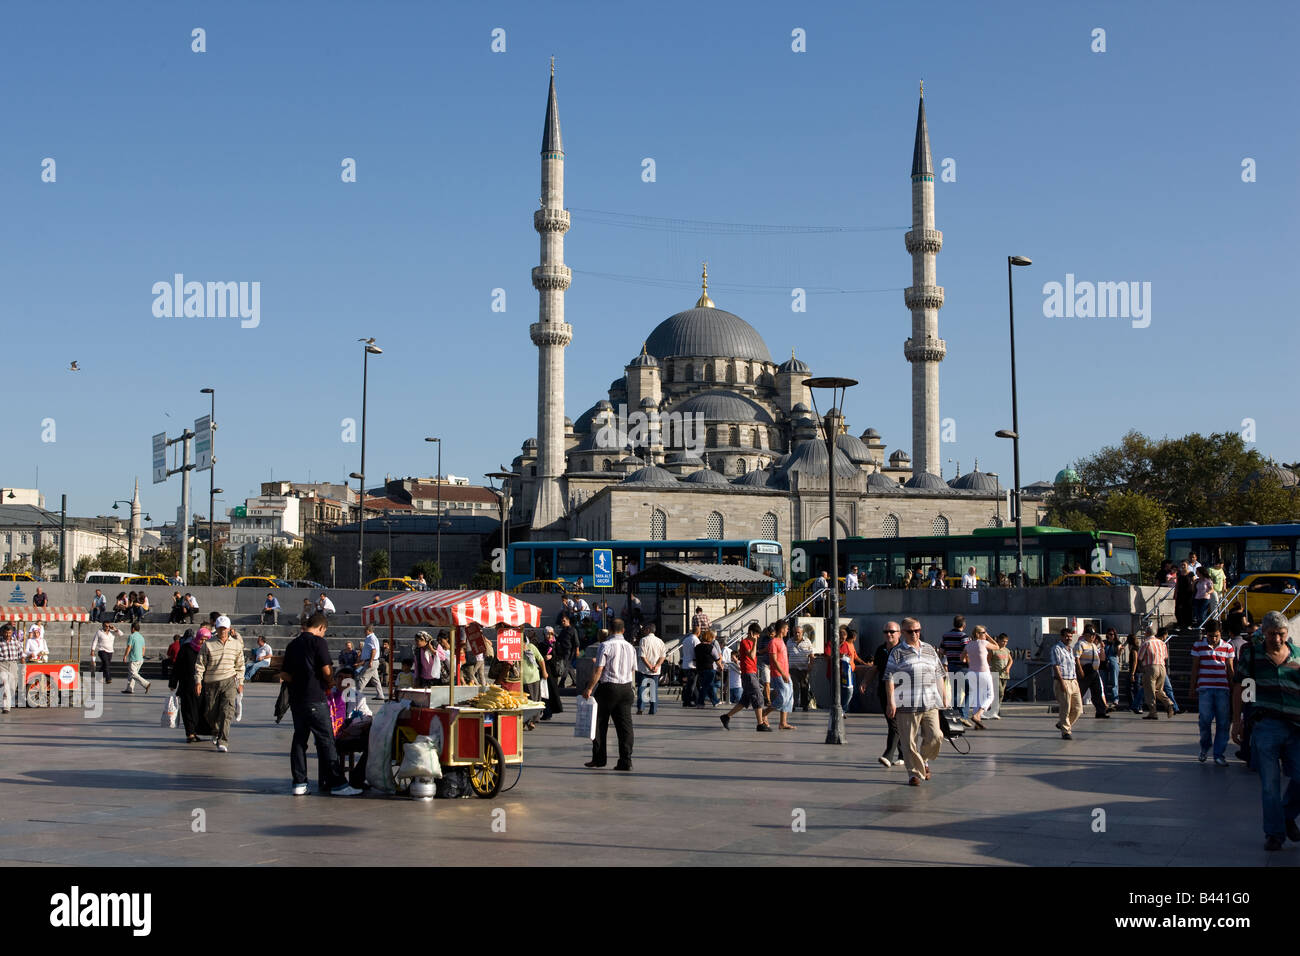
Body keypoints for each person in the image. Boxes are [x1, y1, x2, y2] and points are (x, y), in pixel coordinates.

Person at [1231, 611, 1300, 850]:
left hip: (1296, 728)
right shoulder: (1252, 656)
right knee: (1269, 785)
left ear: (1287, 633)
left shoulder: (1298, 656)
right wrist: (1238, 721)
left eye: (1281, 634)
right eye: (1272, 634)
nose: (1277, 639)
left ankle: (1286, 814)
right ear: (1264, 633)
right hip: (1265, 726)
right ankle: (1275, 834)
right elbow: (1241, 688)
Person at [281, 611, 362, 796]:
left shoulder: (292, 644)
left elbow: (285, 674)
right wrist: (331, 682)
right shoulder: (318, 642)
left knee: (300, 740)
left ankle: (299, 783)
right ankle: (338, 784)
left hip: (297, 700)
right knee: (326, 740)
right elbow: (326, 670)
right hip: (315, 698)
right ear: (321, 627)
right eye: (324, 631)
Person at [885, 617, 949, 786]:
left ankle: (924, 760)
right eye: (910, 631)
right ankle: (913, 773)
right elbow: (889, 678)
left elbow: (939, 674)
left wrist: (943, 695)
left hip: (930, 702)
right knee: (909, 742)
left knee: (936, 736)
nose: (914, 634)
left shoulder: (929, 649)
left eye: (917, 630)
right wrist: (891, 702)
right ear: (903, 633)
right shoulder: (897, 652)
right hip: (906, 704)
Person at [582, 618, 636, 771]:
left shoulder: (605, 645)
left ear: (610, 631)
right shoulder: (630, 647)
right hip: (626, 688)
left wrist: (589, 688)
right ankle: (626, 760)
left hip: (608, 688)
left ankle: (599, 759)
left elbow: (599, 670)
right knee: (625, 727)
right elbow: (633, 670)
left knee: (599, 724)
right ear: (623, 630)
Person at [194, 616, 245, 753]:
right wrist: (198, 681)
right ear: (216, 628)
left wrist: (240, 681)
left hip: (229, 681)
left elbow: (240, 665)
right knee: (210, 712)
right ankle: (216, 731)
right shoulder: (208, 645)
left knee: (227, 711)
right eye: (220, 628)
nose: (223, 631)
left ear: (229, 628)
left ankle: (223, 740)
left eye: (225, 628)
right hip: (211, 682)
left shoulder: (236, 644)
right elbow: (200, 665)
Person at [1190, 620, 1234, 765]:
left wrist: (1234, 689)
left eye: (1216, 636)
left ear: (1220, 634)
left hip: (1223, 689)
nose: (1213, 639)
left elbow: (1230, 669)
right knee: (1204, 721)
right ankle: (1205, 746)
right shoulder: (1198, 646)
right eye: (1210, 636)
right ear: (1205, 634)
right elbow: (1195, 668)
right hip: (1205, 689)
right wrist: (1192, 688)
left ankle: (1219, 754)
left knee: (1223, 723)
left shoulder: (1228, 647)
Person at [865, 621, 904, 766]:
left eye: (892, 632)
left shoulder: (903, 650)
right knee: (894, 722)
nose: (888, 634)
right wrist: (865, 682)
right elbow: (875, 668)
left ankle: (888, 755)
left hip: (901, 692)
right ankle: (903, 754)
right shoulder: (881, 649)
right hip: (883, 691)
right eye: (886, 632)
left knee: (895, 723)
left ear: (899, 633)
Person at [720, 622, 769, 731]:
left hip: (752, 673)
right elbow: (751, 656)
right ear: (752, 633)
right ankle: (760, 724)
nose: (758, 637)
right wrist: (755, 642)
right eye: (757, 634)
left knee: (745, 701)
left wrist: (755, 643)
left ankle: (726, 716)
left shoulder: (751, 643)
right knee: (758, 696)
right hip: (748, 673)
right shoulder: (745, 642)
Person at [168, 629, 207, 742]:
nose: (203, 642)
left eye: (205, 640)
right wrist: (173, 682)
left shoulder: (207, 650)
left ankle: (195, 731)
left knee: (199, 709)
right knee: (188, 709)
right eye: (201, 639)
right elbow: (178, 666)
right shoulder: (186, 648)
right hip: (187, 684)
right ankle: (190, 734)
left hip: (202, 685)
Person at [962, 625, 998, 728]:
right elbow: (997, 646)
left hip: (972, 673)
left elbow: (962, 658)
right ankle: (978, 714)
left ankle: (977, 723)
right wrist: (988, 636)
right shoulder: (984, 642)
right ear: (979, 634)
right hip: (984, 672)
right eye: (984, 632)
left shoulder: (969, 645)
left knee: (977, 697)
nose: (985, 634)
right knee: (990, 696)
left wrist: (970, 661)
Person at [1051, 627, 1083, 740]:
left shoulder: (1071, 649)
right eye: (1066, 636)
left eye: (1070, 636)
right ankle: (1066, 731)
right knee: (1066, 707)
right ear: (1061, 637)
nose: (1069, 638)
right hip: (1062, 680)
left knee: (1078, 708)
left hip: (1073, 680)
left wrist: (1076, 680)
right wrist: (1062, 682)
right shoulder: (1057, 649)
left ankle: (1062, 724)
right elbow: (1056, 666)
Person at [1138, 628, 1176, 720]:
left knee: (1149, 691)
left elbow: (1140, 657)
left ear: (1147, 633)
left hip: (1151, 667)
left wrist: (1141, 668)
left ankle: (1153, 712)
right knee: (1158, 690)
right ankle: (1169, 703)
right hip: (1162, 668)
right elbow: (1166, 657)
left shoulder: (1146, 643)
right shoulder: (1162, 643)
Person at [764, 622, 795, 730]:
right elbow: (774, 660)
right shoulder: (773, 642)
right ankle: (764, 713)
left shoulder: (782, 641)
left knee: (789, 698)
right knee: (782, 698)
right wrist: (782, 673)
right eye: (786, 628)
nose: (787, 630)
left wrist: (787, 672)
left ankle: (783, 723)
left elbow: (783, 660)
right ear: (782, 629)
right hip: (778, 674)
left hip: (785, 673)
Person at [940, 615, 971, 724]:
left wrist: (950, 653)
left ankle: (955, 715)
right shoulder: (964, 636)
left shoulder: (946, 635)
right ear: (963, 624)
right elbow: (966, 651)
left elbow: (942, 650)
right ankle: (964, 715)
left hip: (951, 666)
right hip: (962, 667)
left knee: (955, 692)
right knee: (969, 690)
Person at [1074, 628, 1109, 719]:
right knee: (1080, 691)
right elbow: (1076, 658)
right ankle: (1072, 709)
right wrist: (1080, 670)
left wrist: (1102, 648)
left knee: (1097, 691)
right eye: (1091, 635)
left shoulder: (1093, 645)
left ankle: (1101, 711)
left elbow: (1102, 659)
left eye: (1093, 635)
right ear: (1085, 635)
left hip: (1093, 671)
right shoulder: (1081, 644)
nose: (1093, 637)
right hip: (1085, 670)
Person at [635, 623, 665, 716]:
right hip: (656, 670)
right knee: (653, 689)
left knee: (642, 688)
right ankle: (653, 709)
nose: (643, 631)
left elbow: (642, 656)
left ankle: (641, 708)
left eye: (645, 629)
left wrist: (649, 666)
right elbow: (663, 656)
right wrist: (656, 666)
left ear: (648, 630)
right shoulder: (660, 641)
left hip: (644, 669)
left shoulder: (643, 640)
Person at [520, 634, 547, 730]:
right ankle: (524, 721)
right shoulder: (515, 650)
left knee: (534, 701)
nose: (521, 645)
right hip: (521, 680)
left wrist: (544, 672)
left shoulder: (531, 647)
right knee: (524, 702)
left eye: (522, 642)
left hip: (533, 678)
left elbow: (541, 659)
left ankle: (531, 721)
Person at [787, 624, 814, 712]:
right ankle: (793, 705)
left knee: (804, 687)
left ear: (802, 633)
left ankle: (804, 705)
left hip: (804, 669)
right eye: (795, 632)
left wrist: (811, 664)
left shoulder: (807, 641)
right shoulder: (789, 642)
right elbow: (786, 655)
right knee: (794, 687)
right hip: (792, 669)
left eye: (799, 632)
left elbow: (811, 655)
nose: (797, 634)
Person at [356, 625, 387, 700]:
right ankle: (380, 694)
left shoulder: (371, 638)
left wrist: (370, 661)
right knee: (375, 680)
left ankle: (356, 694)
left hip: (371, 661)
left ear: (368, 630)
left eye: (365, 630)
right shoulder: (371, 638)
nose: (364, 632)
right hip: (373, 661)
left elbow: (374, 650)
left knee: (363, 678)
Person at [120, 625, 151, 695]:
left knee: (133, 674)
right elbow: (143, 648)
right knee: (131, 674)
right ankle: (129, 689)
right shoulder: (141, 637)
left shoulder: (132, 636)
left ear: (133, 628)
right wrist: (142, 656)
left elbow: (129, 647)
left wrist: (125, 656)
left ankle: (146, 684)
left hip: (134, 658)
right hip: (140, 659)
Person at [987, 633, 1012, 719]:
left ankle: (995, 710)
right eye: (1003, 641)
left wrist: (1008, 668)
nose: (1005, 643)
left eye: (1006, 642)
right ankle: (993, 709)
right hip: (995, 674)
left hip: (1004, 675)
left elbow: (1010, 660)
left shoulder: (1006, 650)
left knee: (1001, 694)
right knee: (999, 692)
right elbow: (987, 660)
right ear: (998, 640)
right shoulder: (993, 650)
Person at [694, 629, 721, 707]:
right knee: (706, 686)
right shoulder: (711, 647)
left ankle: (715, 701)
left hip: (700, 669)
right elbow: (717, 659)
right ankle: (700, 702)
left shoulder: (697, 647)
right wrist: (720, 666)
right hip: (709, 669)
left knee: (708, 685)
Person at [0, 624, 22, 714]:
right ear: (2, 633)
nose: (7, 635)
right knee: (5, 686)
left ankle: (6, 702)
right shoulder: (0, 642)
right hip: (2, 664)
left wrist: (23, 665)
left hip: (13, 664)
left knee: (12, 686)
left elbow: (21, 654)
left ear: (12, 632)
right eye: (6, 633)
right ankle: (6, 707)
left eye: (9, 633)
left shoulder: (16, 642)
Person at [679, 623, 700, 707]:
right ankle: (689, 701)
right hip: (692, 665)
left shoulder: (685, 640)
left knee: (688, 684)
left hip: (685, 664)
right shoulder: (696, 640)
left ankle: (689, 700)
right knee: (692, 685)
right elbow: (697, 652)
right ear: (698, 633)